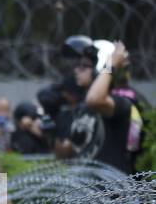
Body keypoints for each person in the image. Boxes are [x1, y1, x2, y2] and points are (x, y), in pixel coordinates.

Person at [55, 37, 140, 173]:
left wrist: (109, 65)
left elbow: (94, 100)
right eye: (77, 65)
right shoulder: (81, 108)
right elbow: (65, 154)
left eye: (84, 66)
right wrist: (54, 131)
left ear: (99, 67)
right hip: (83, 187)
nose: (77, 70)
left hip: (112, 188)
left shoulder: (121, 101)